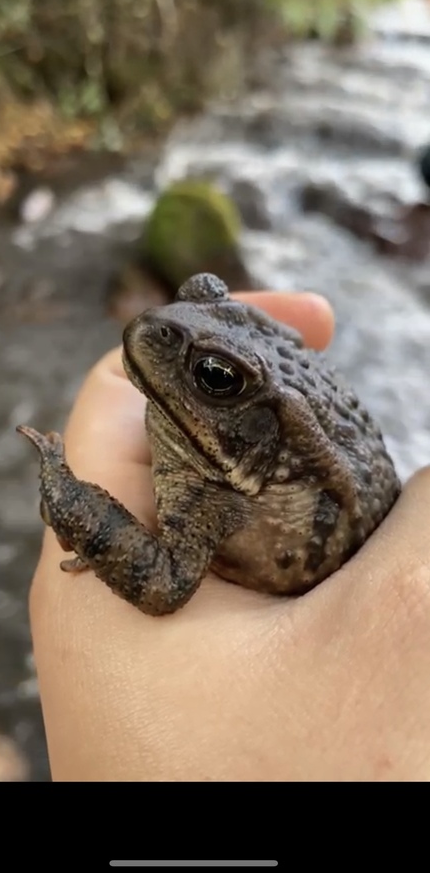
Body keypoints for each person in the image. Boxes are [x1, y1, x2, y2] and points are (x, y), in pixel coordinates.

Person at [30, 290, 430, 781]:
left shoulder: (216, 500)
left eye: (214, 377)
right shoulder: (205, 455)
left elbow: (163, 580)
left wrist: (68, 498)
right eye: (198, 292)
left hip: (332, 567)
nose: (161, 321)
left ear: (254, 428)